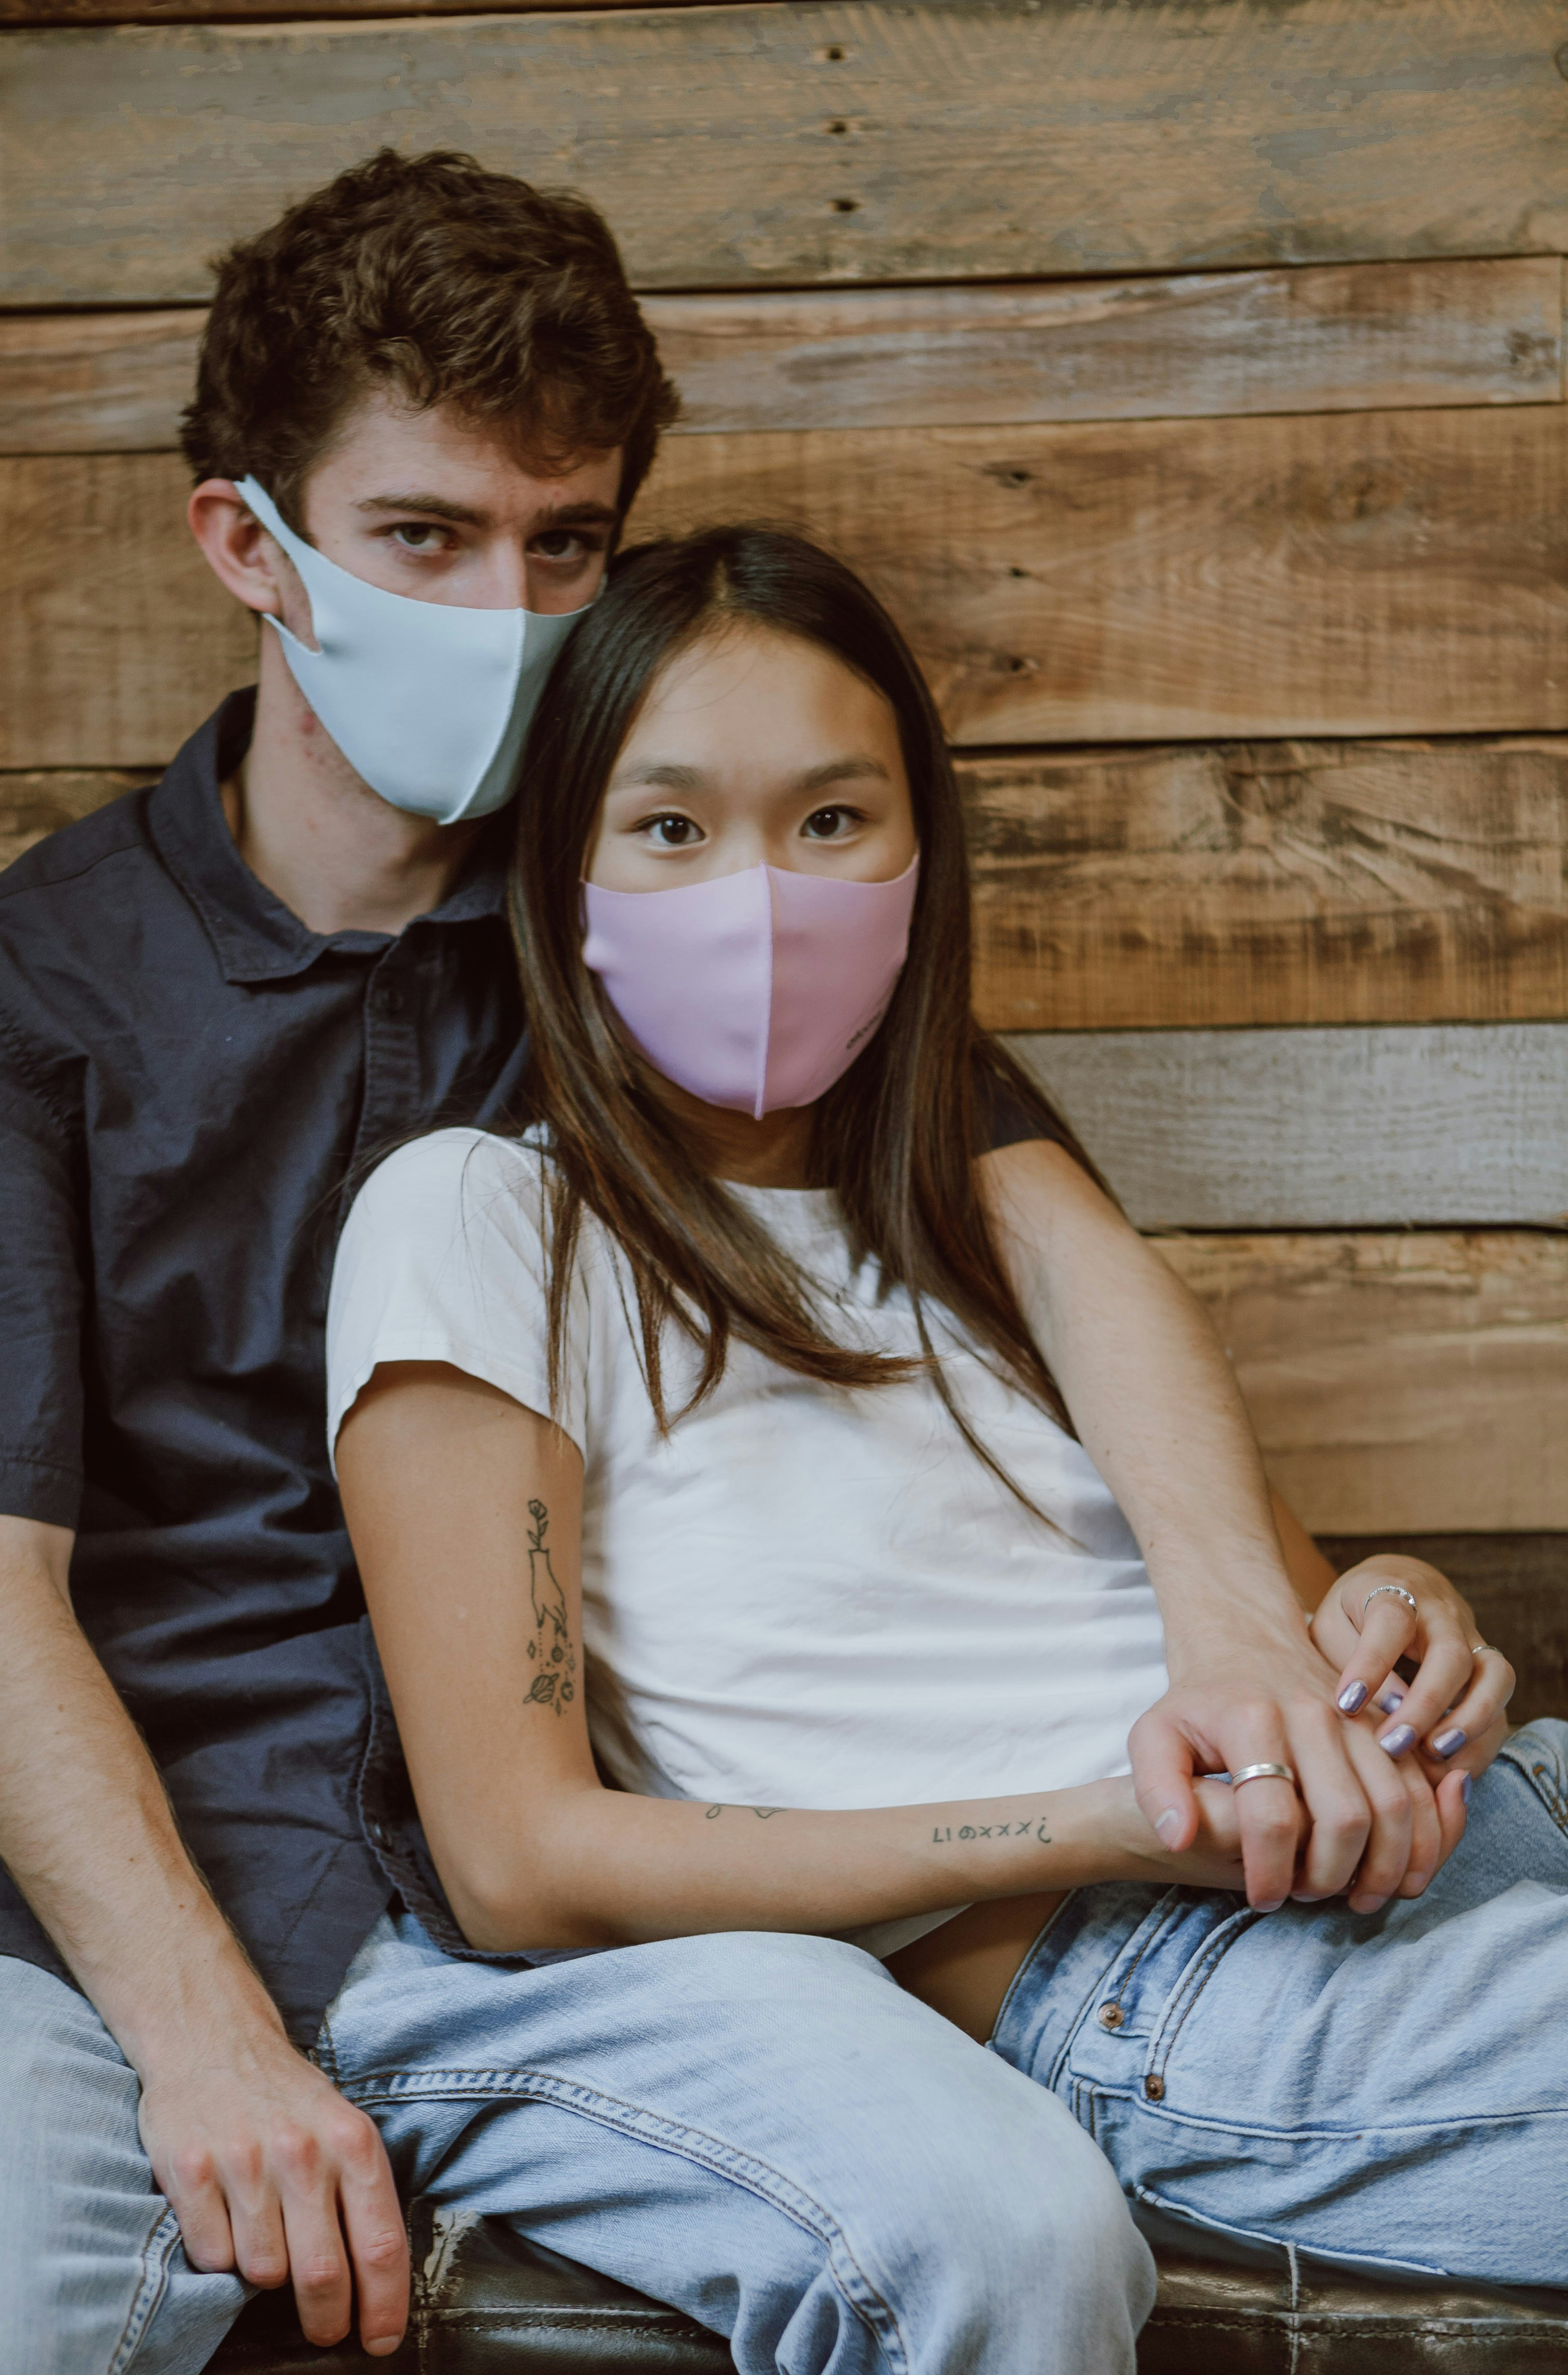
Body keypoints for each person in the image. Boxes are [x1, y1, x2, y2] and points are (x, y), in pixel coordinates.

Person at [0, 149, 1489, 2375]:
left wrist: (1268, 1609)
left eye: (562, 544)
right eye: (422, 539)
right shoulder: (6, 996)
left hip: (595, 1907)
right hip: (87, 1929)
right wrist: (203, 2045)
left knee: (1003, 2230)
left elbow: (1027, 1221)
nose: (505, 608)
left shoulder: (673, 908)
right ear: (245, 547)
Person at [327, 525, 1557, 2294]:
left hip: (1472, 1826)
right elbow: (518, 1865)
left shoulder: (987, 1201)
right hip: (1149, 1971)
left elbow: (1276, 1634)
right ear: (565, 876)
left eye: (832, 822)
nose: (761, 894)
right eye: (670, 829)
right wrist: (1108, 1825)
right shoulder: (478, 1217)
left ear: (920, 854)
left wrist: (1398, 1619)